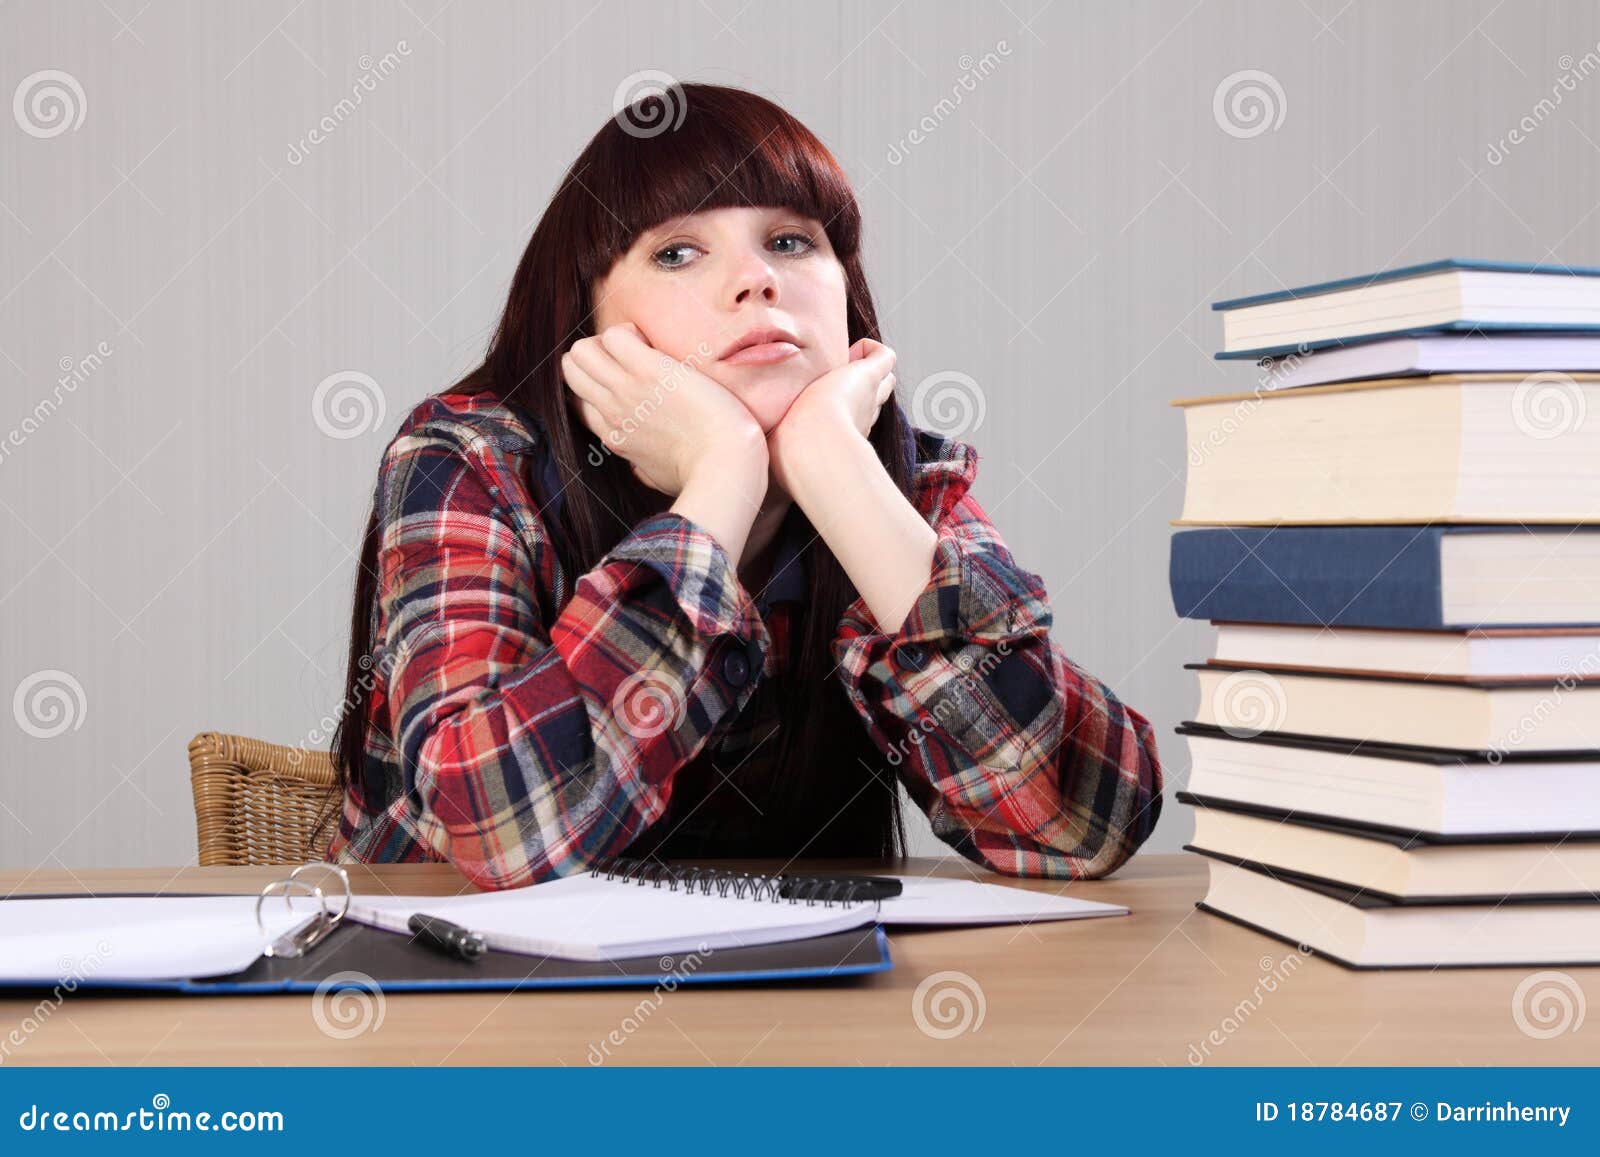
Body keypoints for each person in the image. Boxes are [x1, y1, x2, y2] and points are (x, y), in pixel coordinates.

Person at [320, 82, 1163, 890]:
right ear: (589, 325)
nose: (756, 280)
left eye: (791, 242)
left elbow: (1082, 827)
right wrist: (718, 483)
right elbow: (493, 833)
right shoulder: (470, 459)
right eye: (678, 252)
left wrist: (838, 475)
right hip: (476, 1011)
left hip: (794, 1012)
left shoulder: (895, 476)